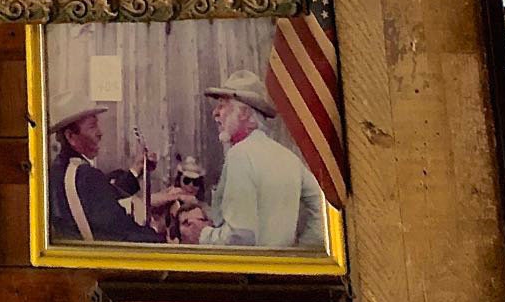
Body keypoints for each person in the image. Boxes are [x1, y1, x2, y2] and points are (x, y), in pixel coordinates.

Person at [183, 71, 326, 250]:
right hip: (281, 272)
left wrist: (203, 235)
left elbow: (240, 236)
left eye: (222, 105)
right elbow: (325, 215)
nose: (215, 114)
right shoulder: (289, 158)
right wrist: (298, 252)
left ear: (244, 113)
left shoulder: (240, 155)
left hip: (248, 274)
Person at [45, 92, 164, 245]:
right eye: (92, 126)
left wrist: (137, 168)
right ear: (70, 136)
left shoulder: (61, 170)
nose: (100, 133)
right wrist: (159, 237)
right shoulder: (84, 175)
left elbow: (101, 196)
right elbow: (122, 233)